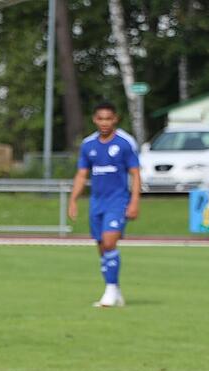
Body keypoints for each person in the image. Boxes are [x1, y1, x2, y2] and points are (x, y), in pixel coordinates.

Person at [68, 102, 141, 308]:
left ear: (115, 119)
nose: (104, 123)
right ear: (94, 120)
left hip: (118, 201)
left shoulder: (125, 143)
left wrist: (134, 201)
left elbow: (135, 174)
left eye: (108, 119)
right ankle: (115, 289)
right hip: (96, 202)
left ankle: (109, 291)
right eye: (100, 119)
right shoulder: (88, 145)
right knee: (101, 248)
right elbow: (82, 174)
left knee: (109, 243)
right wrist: (73, 199)